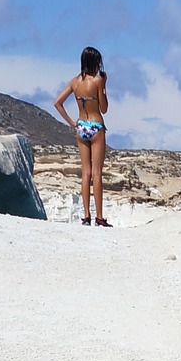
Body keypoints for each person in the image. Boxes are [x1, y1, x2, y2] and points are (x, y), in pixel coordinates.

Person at [54, 47, 110, 227]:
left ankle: (86, 216)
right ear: (95, 63)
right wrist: (104, 87)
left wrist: (72, 122)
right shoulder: (98, 80)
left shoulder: (75, 82)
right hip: (96, 125)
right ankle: (99, 217)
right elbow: (104, 108)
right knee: (97, 174)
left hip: (81, 126)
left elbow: (57, 102)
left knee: (85, 173)